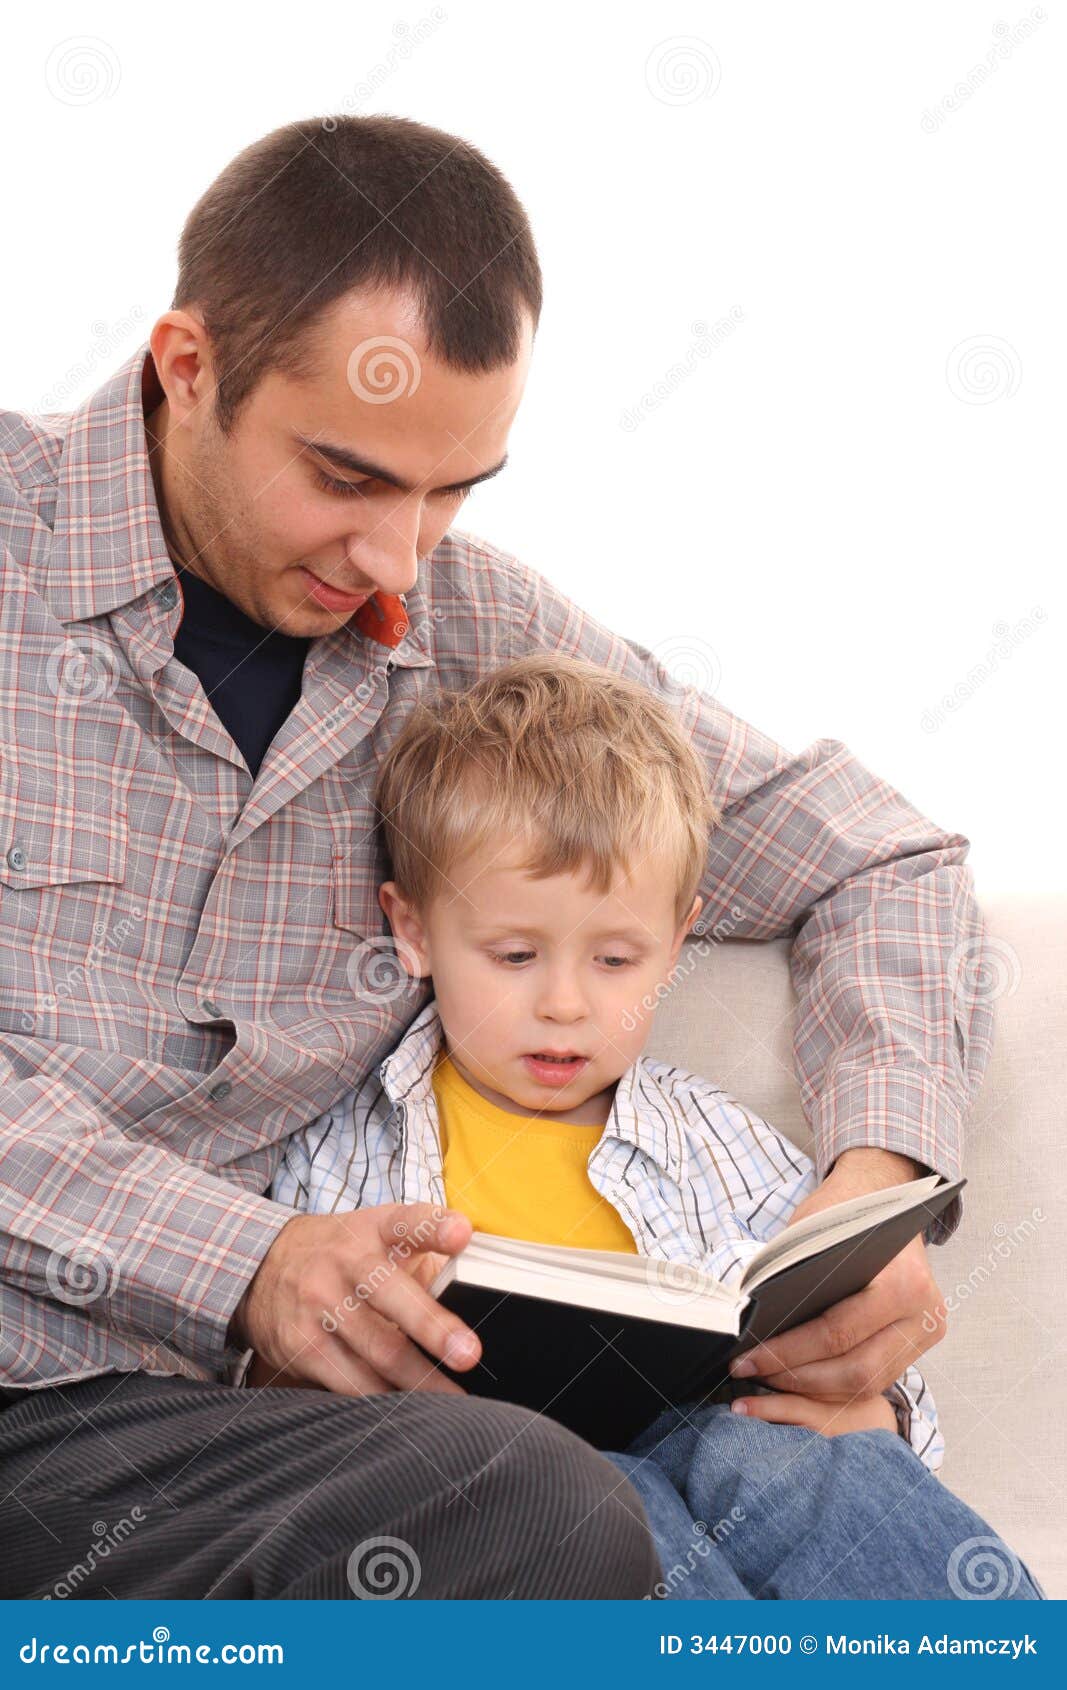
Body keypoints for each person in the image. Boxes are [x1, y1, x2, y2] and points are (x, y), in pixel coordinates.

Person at [0, 112, 991, 1599]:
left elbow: (881, 858)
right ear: (187, 367)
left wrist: (866, 1192)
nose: (395, 560)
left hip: (210, 1453)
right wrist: (245, 1260)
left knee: (542, 1500)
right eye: (345, 475)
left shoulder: (470, 635)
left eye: (452, 487)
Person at [255, 653, 1041, 1600]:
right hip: (496, 1469)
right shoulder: (347, 1142)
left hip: (719, 1435)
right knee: (596, 1503)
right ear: (414, 931)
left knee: (791, 1465)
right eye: (514, 955)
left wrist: (877, 1411)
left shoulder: (718, 1139)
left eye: (616, 960)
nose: (565, 1004)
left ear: (675, 945)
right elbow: (274, 1370)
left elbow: (842, 1317)